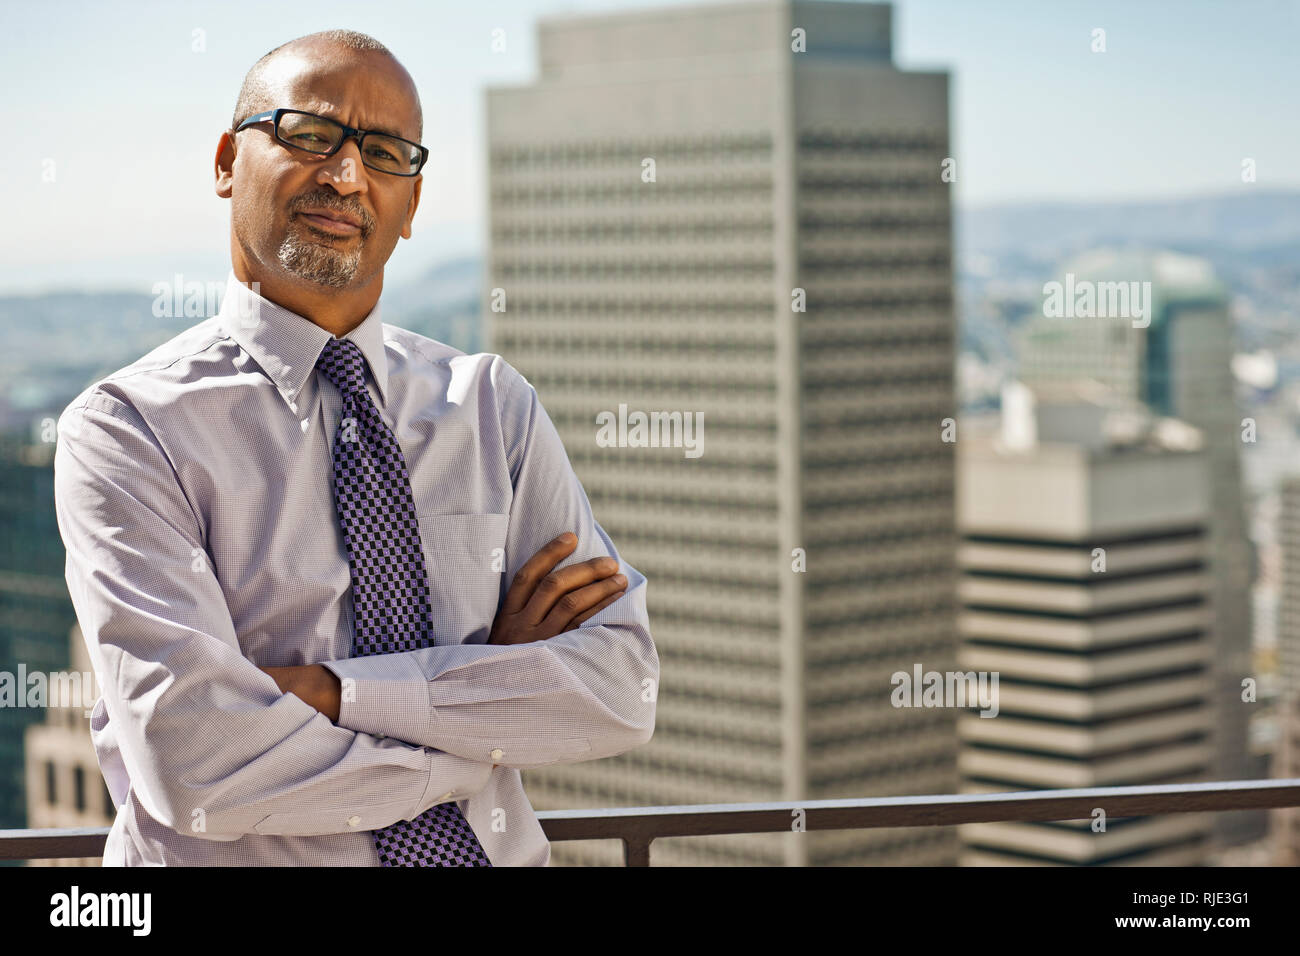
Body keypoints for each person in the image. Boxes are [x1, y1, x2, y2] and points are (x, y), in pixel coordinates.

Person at [52, 29, 657, 866]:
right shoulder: (128, 430)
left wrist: (337, 696)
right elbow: (197, 765)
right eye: (309, 133)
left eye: (385, 152)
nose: (346, 175)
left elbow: (618, 689)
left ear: (411, 204)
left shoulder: (491, 406)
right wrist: (473, 714)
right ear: (228, 161)